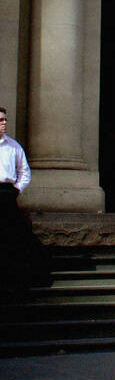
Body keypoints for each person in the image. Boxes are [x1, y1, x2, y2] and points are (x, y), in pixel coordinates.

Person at [0, 106, 51, 292]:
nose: (4, 123)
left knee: (14, 236)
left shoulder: (14, 146)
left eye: (5, 120)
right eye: (0, 120)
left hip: (7, 194)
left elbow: (25, 172)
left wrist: (17, 189)